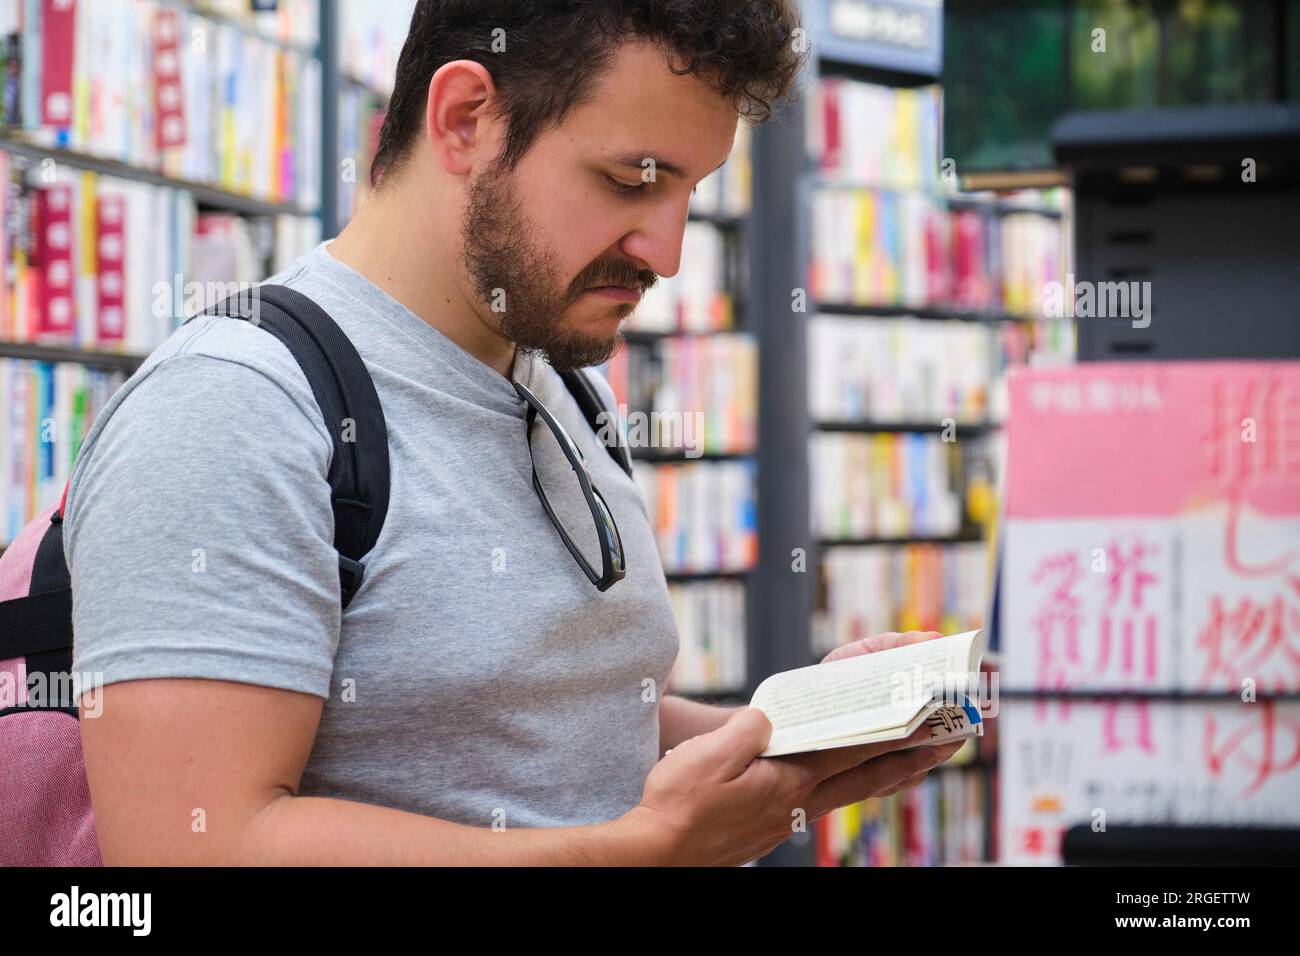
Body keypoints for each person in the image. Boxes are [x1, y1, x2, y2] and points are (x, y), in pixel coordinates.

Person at [67, 0, 962, 866]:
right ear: (465, 120)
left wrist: (795, 737)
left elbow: (550, 732)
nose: (669, 252)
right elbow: (192, 846)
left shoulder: (558, 382)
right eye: (630, 181)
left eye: (691, 192)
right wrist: (636, 855)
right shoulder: (235, 406)